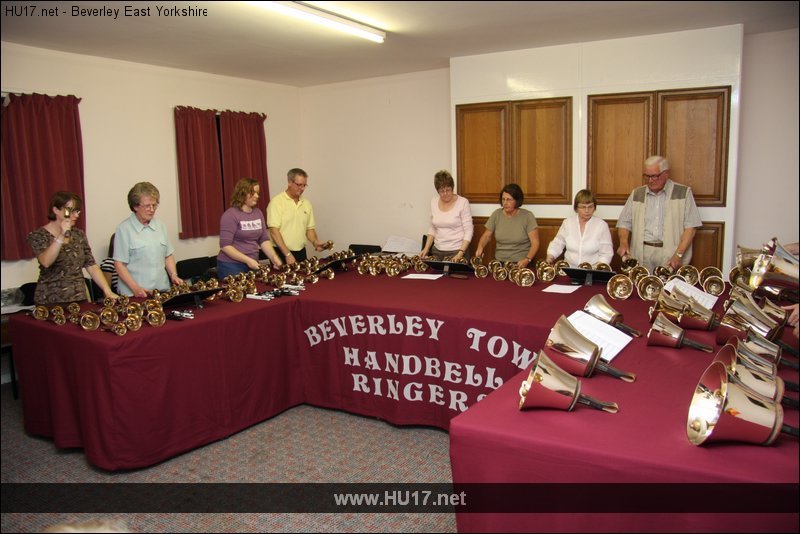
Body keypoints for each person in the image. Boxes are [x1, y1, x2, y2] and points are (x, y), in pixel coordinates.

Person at [27, 192, 118, 305]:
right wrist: (61, 235)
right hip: (50, 300)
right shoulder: (38, 235)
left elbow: (91, 265)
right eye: (71, 211)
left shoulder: (78, 234)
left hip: (78, 297)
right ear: (56, 210)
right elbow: (46, 261)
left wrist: (107, 290)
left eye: (77, 211)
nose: (76, 215)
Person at [616, 155, 702, 273]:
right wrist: (624, 242)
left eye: (654, 176)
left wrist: (678, 255)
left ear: (666, 174)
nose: (650, 180)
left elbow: (691, 228)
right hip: (641, 254)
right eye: (647, 176)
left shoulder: (683, 193)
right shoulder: (637, 193)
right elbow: (624, 223)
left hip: (671, 253)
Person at [113, 182, 183, 298]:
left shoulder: (161, 226)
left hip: (161, 290)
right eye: (147, 206)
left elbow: (168, 255)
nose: (152, 209)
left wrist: (173, 275)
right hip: (135, 294)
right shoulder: (124, 229)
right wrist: (135, 288)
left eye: (154, 205)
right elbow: (119, 264)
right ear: (135, 206)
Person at [217, 178, 283, 279]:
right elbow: (225, 246)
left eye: (258, 193)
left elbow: (263, 239)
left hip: (252, 262)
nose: (257, 196)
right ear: (242, 193)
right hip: (231, 265)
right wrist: (247, 260)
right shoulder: (230, 215)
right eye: (253, 193)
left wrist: (274, 257)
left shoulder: (258, 213)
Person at [267, 168, 326, 265]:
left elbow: (309, 229)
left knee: (303, 280)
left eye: (304, 185)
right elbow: (274, 231)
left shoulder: (306, 203)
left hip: (301, 252)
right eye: (299, 185)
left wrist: (315, 242)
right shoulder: (276, 202)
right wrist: (287, 254)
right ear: (289, 182)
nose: (302, 188)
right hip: (281, 252)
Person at [474, 183, 539, 267]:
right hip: (500, 262)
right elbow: (486, 236)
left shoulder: (527, 216)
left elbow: (535, 242)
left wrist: (527, 259)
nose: (505, 203)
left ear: (517, 200)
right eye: (503, 199)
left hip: (521, 262)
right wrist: (480, 247)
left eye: (509, 200)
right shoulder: (496, 214)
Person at [546, 189, 613, 267]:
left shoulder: (601, 225)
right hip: (569, 269)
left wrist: (598, 268)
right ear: (576, 208)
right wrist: (550, 257)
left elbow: (606, 253)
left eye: (590, 206)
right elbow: (558, 242)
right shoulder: (568, 223)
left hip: (592, 271)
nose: (587, 210)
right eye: (583, 207)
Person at [421, 170, 474, 261]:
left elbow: (469, 230)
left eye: (448, 190)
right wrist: (426, 248)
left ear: (452, 188)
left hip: (458, 250)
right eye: (442, 191)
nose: (445, 194)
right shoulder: (433, 202)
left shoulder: (463, 202)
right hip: (437, 250)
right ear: (437, 191)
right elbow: (433, 228)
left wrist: (460, 253)